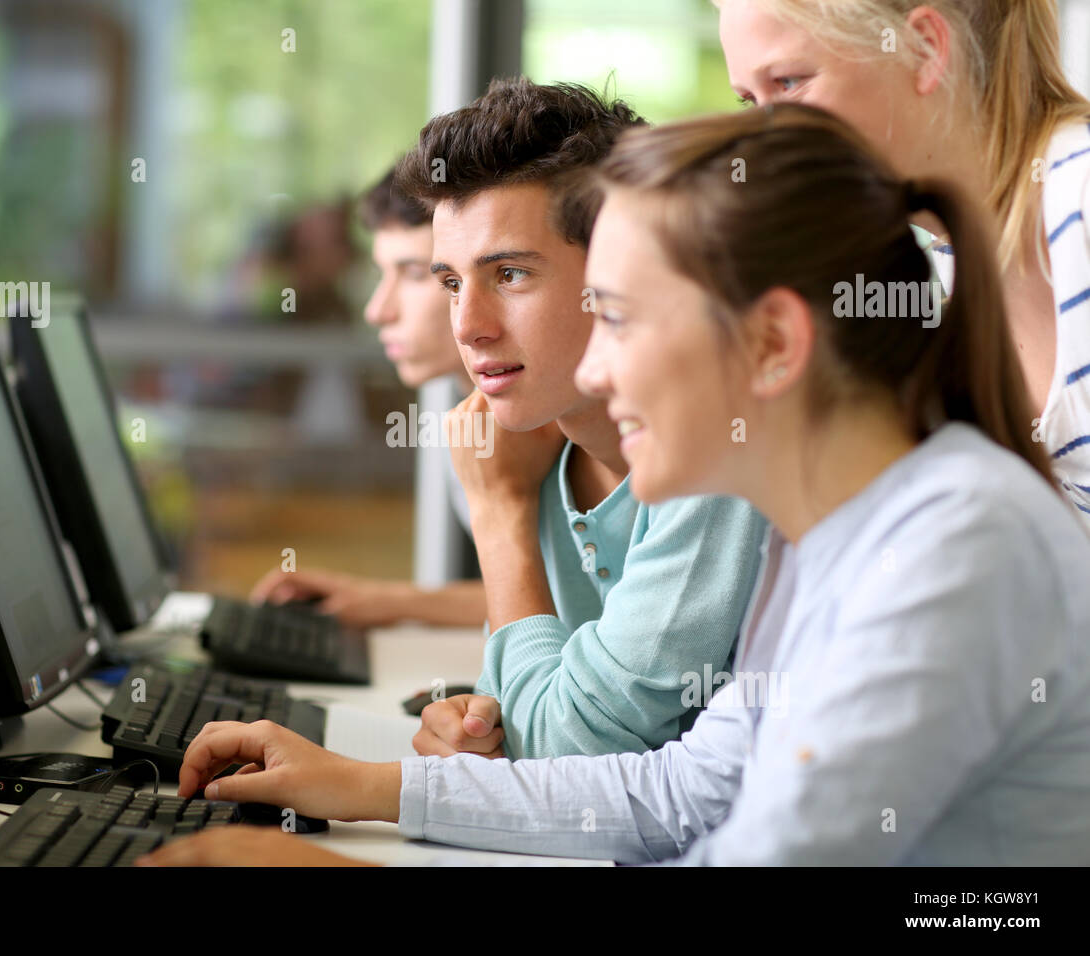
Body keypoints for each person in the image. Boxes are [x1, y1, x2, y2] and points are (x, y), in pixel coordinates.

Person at [139, 105, 1090, 867]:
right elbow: (685, 796)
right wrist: (362, 788)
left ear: (772, 344)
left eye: (624, 321)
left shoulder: (953, 548)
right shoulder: (829, 535)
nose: (595, 372)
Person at [395, 77, 766, 760]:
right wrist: (475, 722)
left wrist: (499, 514)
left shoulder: (716, 450)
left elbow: (570, 747)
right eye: (450, 283)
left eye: (510, 274)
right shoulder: (528, 452)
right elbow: (518, 718)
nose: (468, 327)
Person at [717, 0, 1090, 529]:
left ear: (925, 50)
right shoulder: (950, 262)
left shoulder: (1079, 201)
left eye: (789, 83)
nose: (764, 140)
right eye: (749, 101)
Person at [248, 162, 488, 628]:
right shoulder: (462, 418)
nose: (377, 311)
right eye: (381, 274)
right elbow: (535, 600)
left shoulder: (549, 430)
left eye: (413, 273)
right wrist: (382, 599)